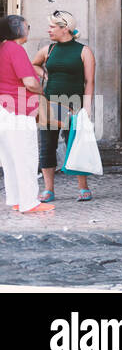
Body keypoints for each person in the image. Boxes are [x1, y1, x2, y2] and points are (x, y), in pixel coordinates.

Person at [30, 10, 95, 203]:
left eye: (52, 26)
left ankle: (83, 187)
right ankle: (48, 189)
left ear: (64, 28)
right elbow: (33, 65)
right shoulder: (48, 50)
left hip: (74, 106)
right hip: (49, 104)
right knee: (46, 147)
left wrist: (88, 108)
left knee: (75, 146)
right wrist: (46, 75)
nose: (49, 30)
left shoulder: (84, 51)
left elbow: (89, 81)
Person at [0, 16, 51, 214]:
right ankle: (29, 202)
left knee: (10, 157)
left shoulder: (3, 48)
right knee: (26, 156)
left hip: (4, 109)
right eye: (27, 26)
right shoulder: (16, 49)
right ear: (18, 29)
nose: (28, 28)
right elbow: (29, 82)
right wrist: (41, 90)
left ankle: (16, 199)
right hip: (19, 110)